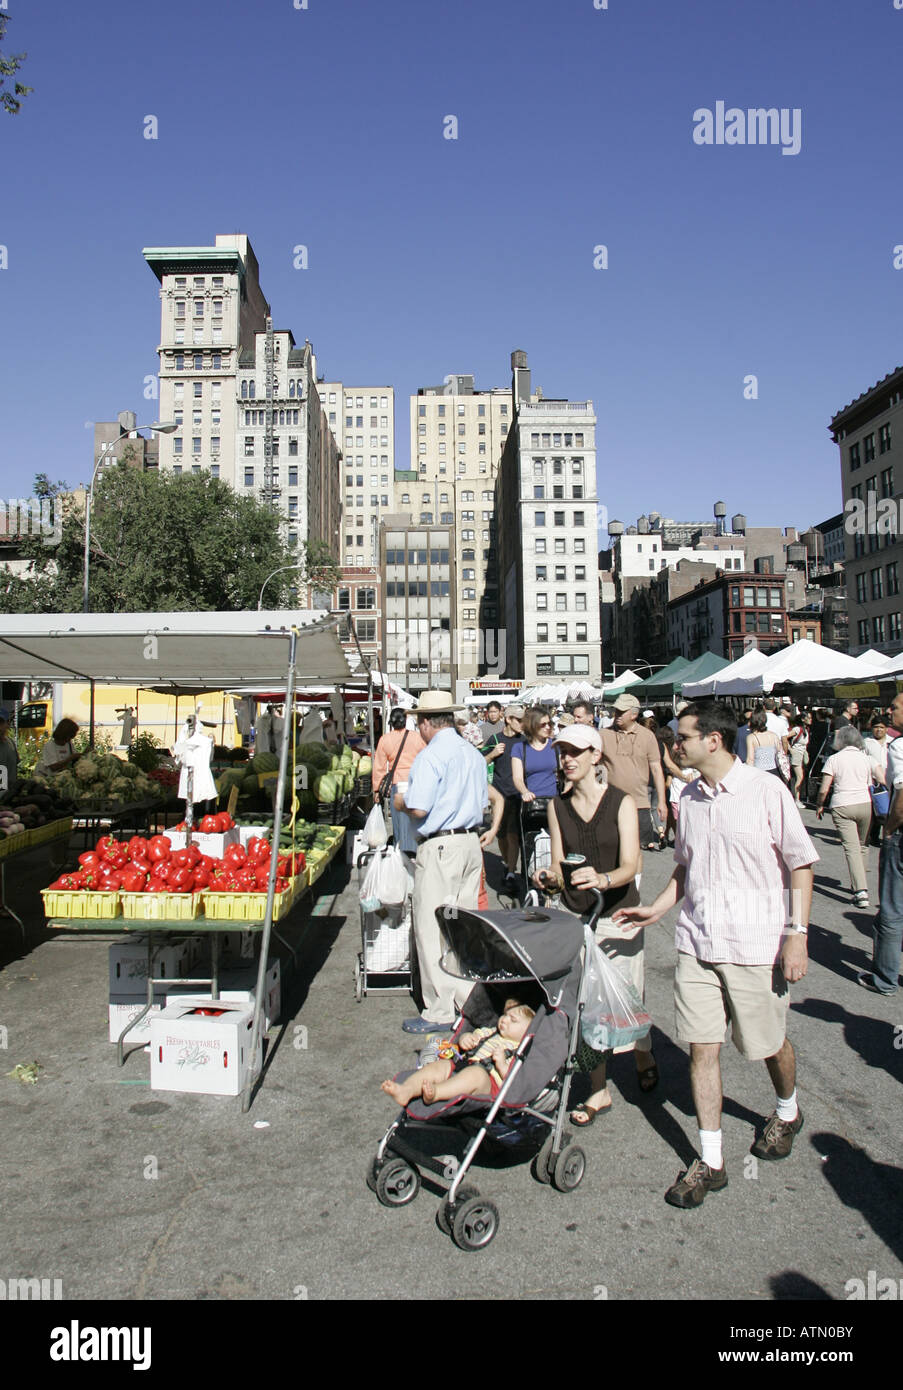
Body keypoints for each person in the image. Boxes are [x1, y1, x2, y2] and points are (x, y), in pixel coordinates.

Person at [614, 701, 816, 1209]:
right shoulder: (690, 797)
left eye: (682, 737)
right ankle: (712, 1160)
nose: (674, 744)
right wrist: (658, 909)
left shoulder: (766, 791)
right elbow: (684, 866)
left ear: (714, 741)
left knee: (768, 1043)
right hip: (697, 942)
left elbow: (802, 862)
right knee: (702, 1049)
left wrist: (798, 932)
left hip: (754, 943)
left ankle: (787, 1110)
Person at [532, 723, 656, 1122]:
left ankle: (642, 1049)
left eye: (575, 752)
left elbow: (631, 865)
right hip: (576, 914)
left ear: (595, 758)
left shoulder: (620, 802)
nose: (566, 759)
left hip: (617, 915)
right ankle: (599, 1090)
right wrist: (550, 876)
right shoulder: (557, 805)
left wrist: (603, 879)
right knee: (589, 1006)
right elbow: (556, 860)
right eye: (561, 752)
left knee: (625, 999)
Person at [397, 691, 489, 1034]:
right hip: (469, 841)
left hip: (440, 846)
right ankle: (466, 999)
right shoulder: (472, 753)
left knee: (432, 925)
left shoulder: (430, 755)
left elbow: (419, 808)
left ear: (424, 723)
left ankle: (438, 1009)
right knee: (462, 924)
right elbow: (482, 804)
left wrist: (401, 801)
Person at [381, 999, 534, 1107]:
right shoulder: (490, 1032)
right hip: (462, 1064)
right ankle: (406, 1090)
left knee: (476, 1075)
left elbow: (516, 1082)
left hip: (487, 1083)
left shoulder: (520, 1050)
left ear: (528, 1030)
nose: (505, 1020)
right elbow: (471, 1037)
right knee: (440, 1065)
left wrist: (501, 1065)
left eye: (513, 1020)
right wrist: (466, 1039)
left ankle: (436, 1093)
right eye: (505, 1015)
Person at [860, 691, 903, 995]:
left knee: (891, 907)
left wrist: (889, 828)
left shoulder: (899, 746)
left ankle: (885, 978)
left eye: (895, 707)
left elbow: (902, 796)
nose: (889, 711)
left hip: (901, 835)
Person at [816, 728, 882, 910]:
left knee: (851, 848)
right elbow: (881, 778)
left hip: (842, 804)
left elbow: (824, 788)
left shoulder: (834, 759)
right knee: (862, 845)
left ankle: (860, 890)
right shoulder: (866, 758)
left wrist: (820, 804)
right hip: (865, 803)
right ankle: (859, 882)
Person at [599, 693, 666, 851]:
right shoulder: (603, 734)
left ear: (634, 714)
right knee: (611, 849)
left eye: (622, 712)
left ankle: (634, 876)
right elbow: (597, 765)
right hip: (610, 803)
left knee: (636, 851)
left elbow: (657, 769)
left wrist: (662, 801)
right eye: (616, 711)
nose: (617, 715)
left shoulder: (647, 736)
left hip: (640, 803)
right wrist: (599, 790)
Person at [480, 703, 525, 889]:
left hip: (517, 794)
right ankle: (507, 862)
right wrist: (493, 754)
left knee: (513, 835)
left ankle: (511, 871)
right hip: (498, 794)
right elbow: (480, 760)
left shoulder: (524, 741)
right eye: (519, 720)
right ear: (508, 719)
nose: (522, 724)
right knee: (502, 836)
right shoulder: (495, 739)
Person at [372, 708, 426, 856]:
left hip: (396, 783)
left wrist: (377, 789)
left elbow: (379, 767)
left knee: (399, 821)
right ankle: (415, 849)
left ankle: (400, 850)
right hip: (415, 782)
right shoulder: (416, 737)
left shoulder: (385, 739)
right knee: (415, 818)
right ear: (405, 719)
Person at [745, 706, 784, 781]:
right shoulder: (774, 735)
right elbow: (779, 753)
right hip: (775, 771)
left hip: (759, 772)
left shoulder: (751, 737)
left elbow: (750, 759)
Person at [787, 712, 811, 803]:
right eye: (808, 717)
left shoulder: (806, 730)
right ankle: (797, 799)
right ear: (803, 719)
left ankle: (797, 798)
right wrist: (791, 749)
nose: (810, 719)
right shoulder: (797, 729)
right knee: (800, 777)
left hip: (802, 754)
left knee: (800, 776)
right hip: (796, 753)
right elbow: (785, 737)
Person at [0, 709, 19, 803]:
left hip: (10, 794)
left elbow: (15, 765)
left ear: (7, 724)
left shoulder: (10, 743)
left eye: (0, 723)